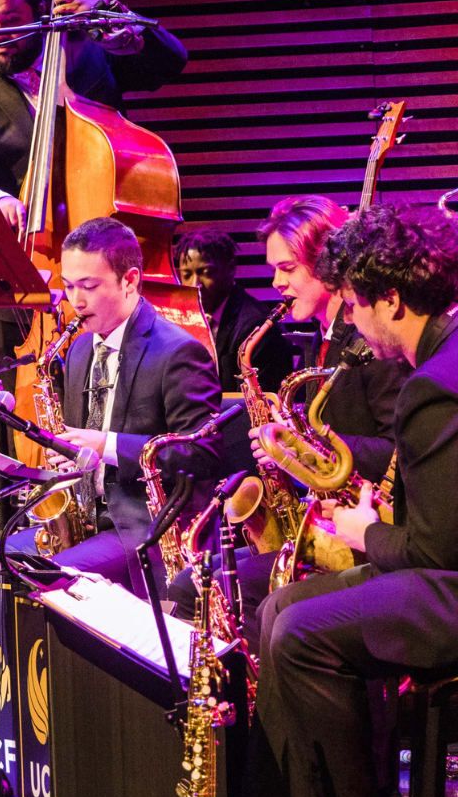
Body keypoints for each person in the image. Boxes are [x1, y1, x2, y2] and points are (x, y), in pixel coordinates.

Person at [257, 205, 458, 797]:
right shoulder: (442, 361)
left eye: (357, 306)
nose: (350, 320)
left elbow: (432, 551)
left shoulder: (436, 386)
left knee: (302, 632)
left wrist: (364, 529)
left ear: (392, 300)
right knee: (279, 604)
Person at [0, 0, 187, 382]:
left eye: (11, 21)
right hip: (27, 268)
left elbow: (170, 60)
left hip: (109, 261)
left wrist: (104, 10)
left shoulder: (89, 47)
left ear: (39, 12)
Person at [167, 197, 405, 642]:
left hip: (368, 535)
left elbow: (400, 451)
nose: (275, 282)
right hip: (328, 523)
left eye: (288, 268)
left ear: (327, 264)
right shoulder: (322, 340)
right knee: (192, 581)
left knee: (213, 587)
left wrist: (307, 446)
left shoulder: (371, 344)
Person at [9, 217, 222, 595]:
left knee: (45, 578)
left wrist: (105, 447)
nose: (76, 301)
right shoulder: (77, 350)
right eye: (69, 286)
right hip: (87, 522)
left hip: (146, 528)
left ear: (130, 280)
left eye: (89, 286)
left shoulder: (178, 351)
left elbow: (201, 451)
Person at [174, 228, 294, 394]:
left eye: (206, 272)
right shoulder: (178, 320)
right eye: (186, 275)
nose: (195, 284)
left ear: (230, 269)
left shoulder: (256, 326)